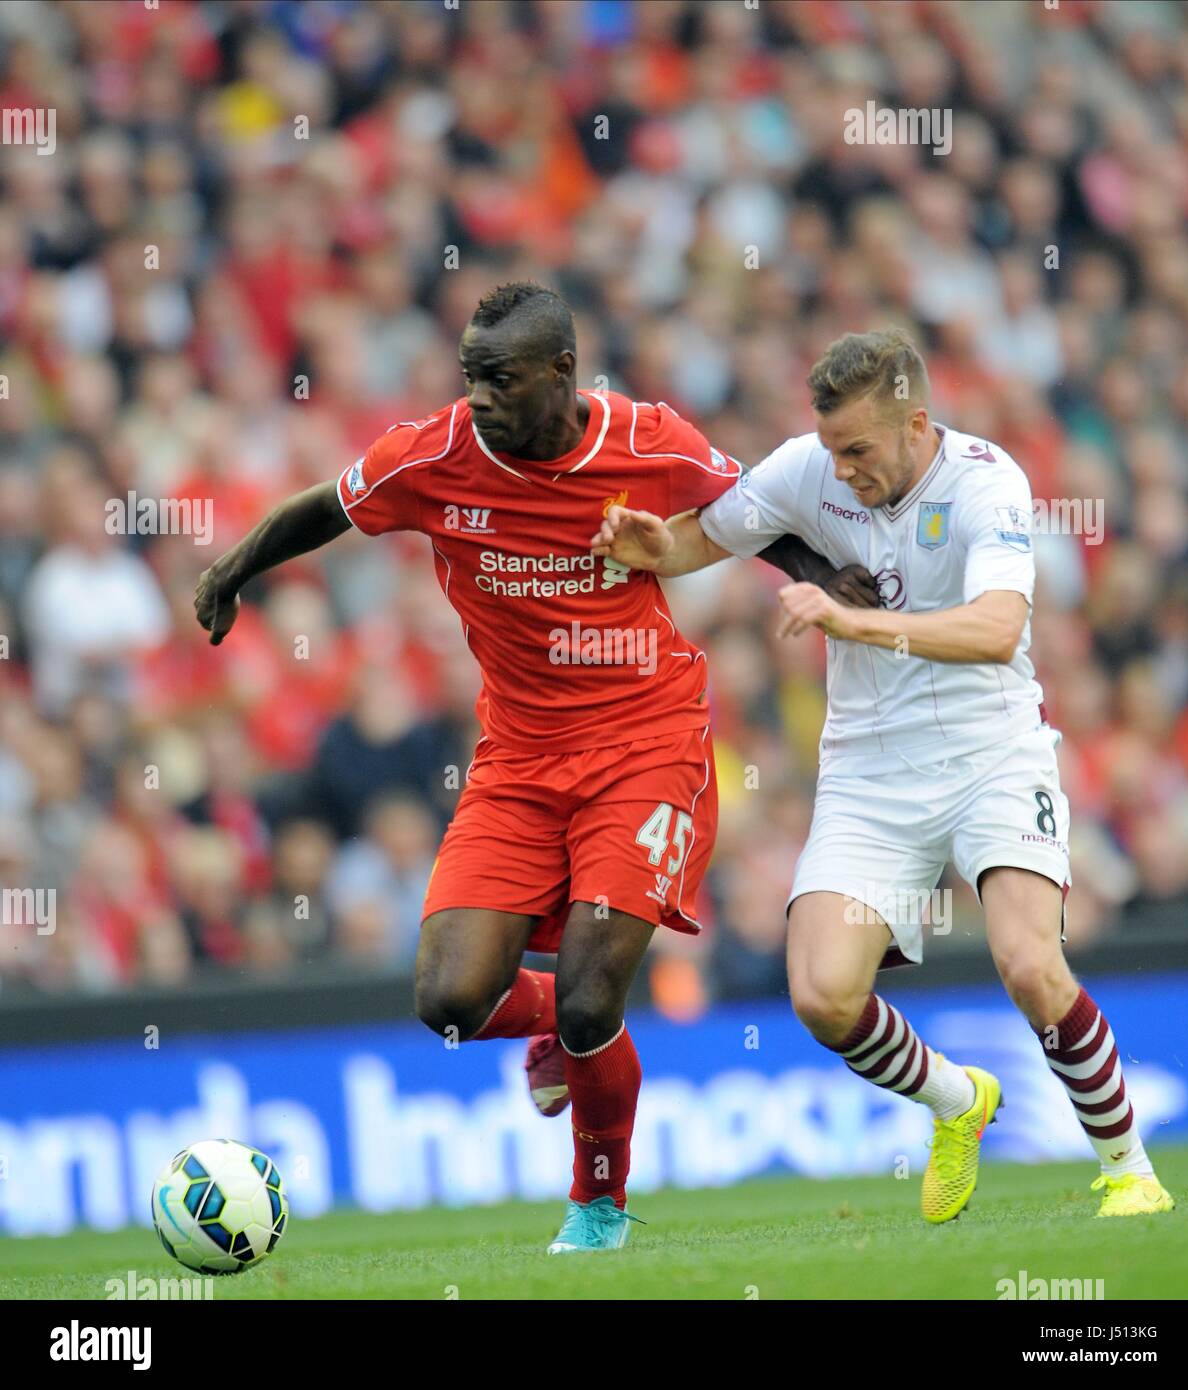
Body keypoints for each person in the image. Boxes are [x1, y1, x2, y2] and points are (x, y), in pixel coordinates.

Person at [194, 282, 878, 1252]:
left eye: (501, 381)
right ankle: (557, 1029)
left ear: (561, 372)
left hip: (645, 741)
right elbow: (328, 507)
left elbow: (750, 511)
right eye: (470, 379)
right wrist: (233, 570)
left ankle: (596, 1207)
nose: (479, 400)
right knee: (447, 1001)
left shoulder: (649, 442)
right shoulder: (433, 455)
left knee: (596, 992)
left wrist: (824, 581)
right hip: (516, 756)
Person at [591, 327, 1174, 1222]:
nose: (842, 468)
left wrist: (849, 622)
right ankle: (957, 1101)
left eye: (858, 448)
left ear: (915, 423)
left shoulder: (986, 481)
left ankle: (1128, 1169)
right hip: (869, 769)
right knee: (823, 997)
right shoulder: (805, 467)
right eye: (830, 447)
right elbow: (698, 541)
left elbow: (992, 631)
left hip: (992, 751)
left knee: (1027, 963)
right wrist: (647, 544)